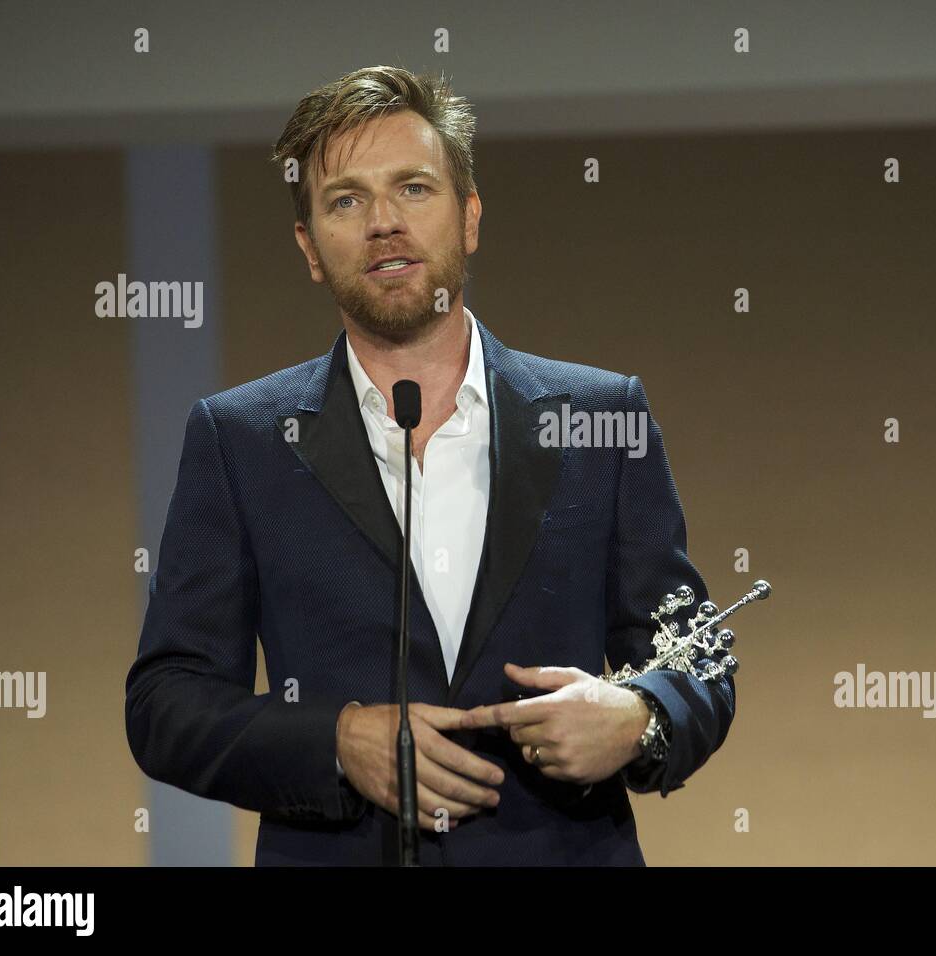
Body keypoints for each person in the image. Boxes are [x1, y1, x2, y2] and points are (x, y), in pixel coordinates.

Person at [124, 65, 736, 865]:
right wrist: (338, 742)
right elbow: (167, 703)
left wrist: (638, 716)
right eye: (346, 200)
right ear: (310, 246)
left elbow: (696, 653)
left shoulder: (598, 416)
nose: (384, 223)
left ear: (469, 216)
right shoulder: (239, 439)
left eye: (413, 188)